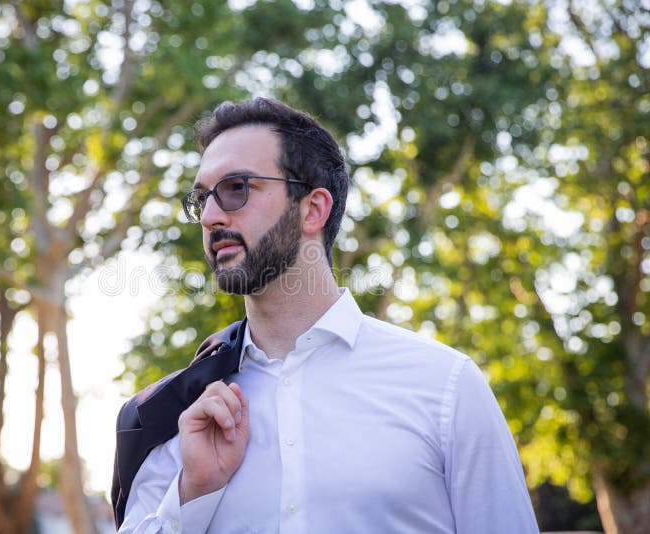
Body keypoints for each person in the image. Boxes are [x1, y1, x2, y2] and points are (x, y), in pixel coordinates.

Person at [112, 98, 539, 533]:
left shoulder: (445, 386)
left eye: (236, 188)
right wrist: (194, 491)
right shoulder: (176, 416)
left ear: (313, 209)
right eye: (202, 198)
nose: (209, 216)